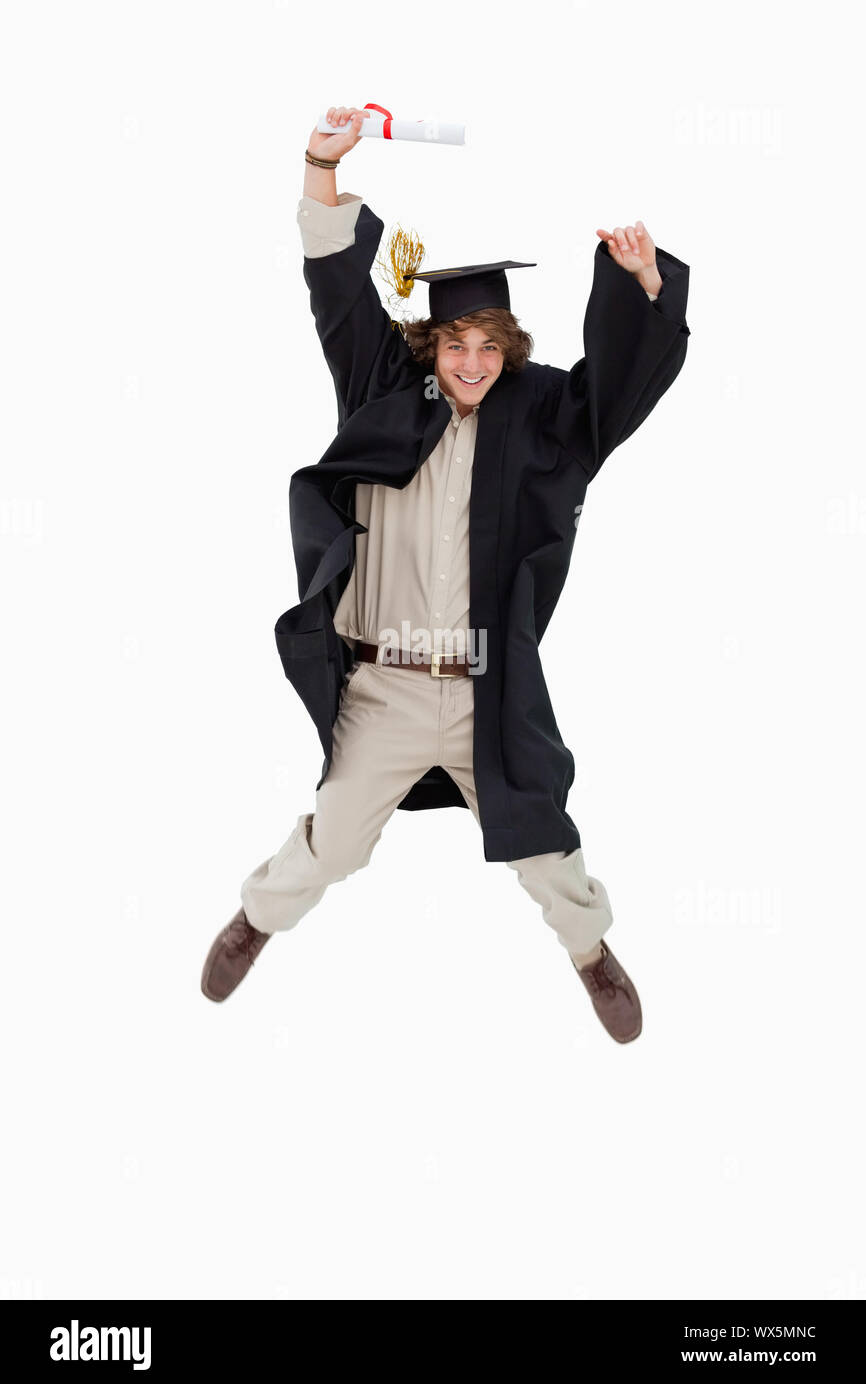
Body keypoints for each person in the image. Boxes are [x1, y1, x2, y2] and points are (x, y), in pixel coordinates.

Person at [201, 105, 691, 1044]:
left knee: (544, 840)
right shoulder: (386, 389)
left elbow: (617, 395)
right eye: (456, 343)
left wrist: (642, 287)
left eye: (489, 345)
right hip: (383, 687)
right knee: (334, 839)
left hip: (483, 688)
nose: (471, 361)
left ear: (509, 348)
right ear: (434, 344)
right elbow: (339, 291)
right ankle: (254, 921)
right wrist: (319, 167)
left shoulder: (541, 419)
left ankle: (591, 952)